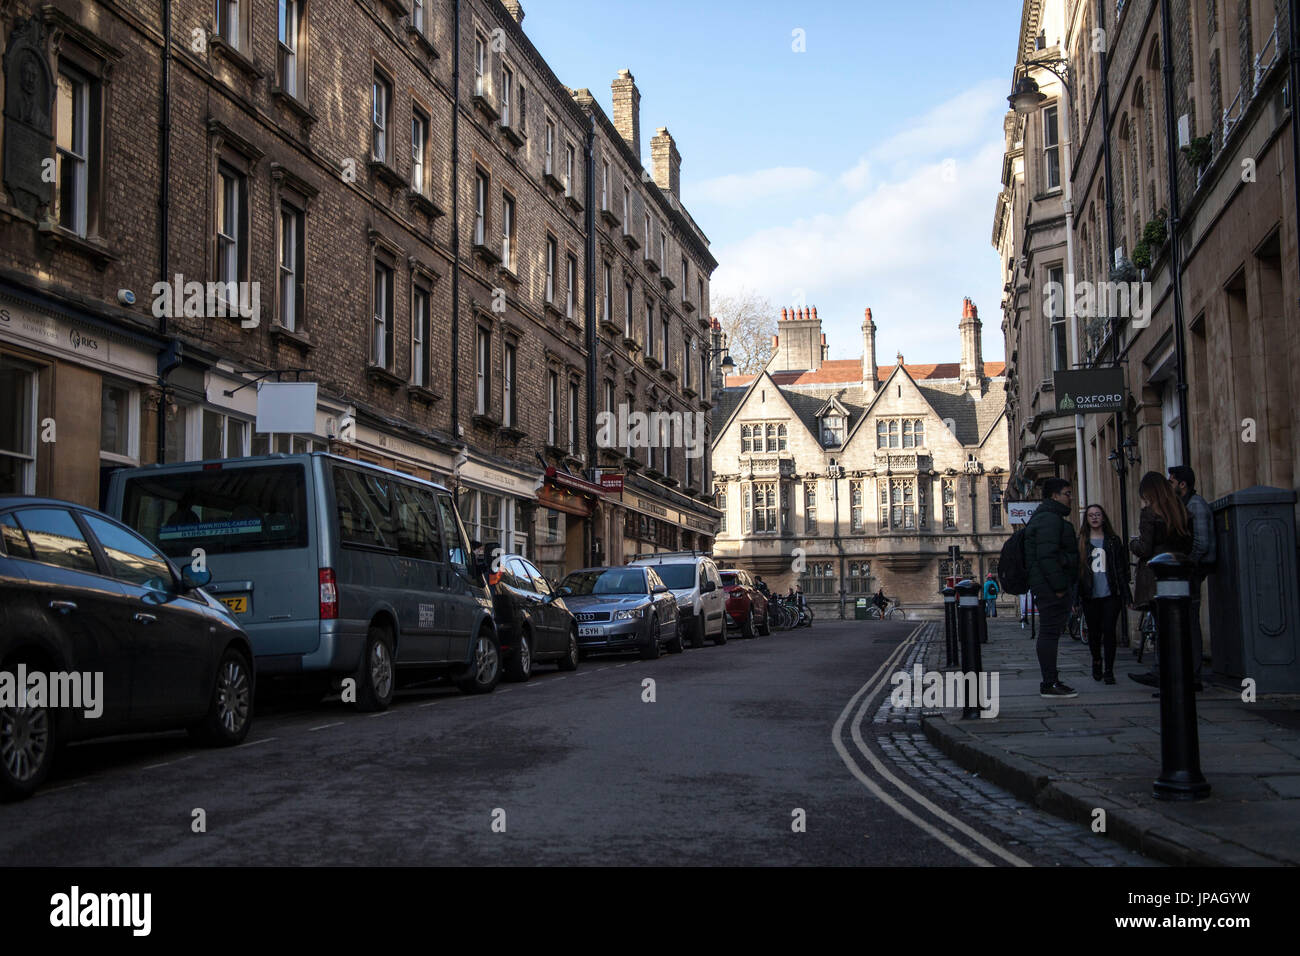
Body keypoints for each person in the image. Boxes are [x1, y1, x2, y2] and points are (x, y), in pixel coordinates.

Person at [1128, 472, 1194, 689]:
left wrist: (1132, 544)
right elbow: (1188, 546)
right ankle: (1178, 676)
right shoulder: (1182, 511)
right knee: (1178, 629)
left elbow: (1145, 548)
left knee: (1163, 630)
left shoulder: (1149, 513)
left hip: (1156, 578)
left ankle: (1163, 675)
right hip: (1180, 576)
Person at [1023, 477, 1080, 697]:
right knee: (1049, 633)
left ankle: (1051, 680)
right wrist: (1059, 587)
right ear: (1054, 496)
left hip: (1047, 586)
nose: (1070, 498)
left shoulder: (1048, 517)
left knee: (1050, 633)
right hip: (1051, 588)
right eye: (1067, 493)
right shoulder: (1049, 519)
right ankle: (1049, 682)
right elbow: (1047, 556)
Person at [1076, 504, 1131, 684]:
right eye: (1091, 515)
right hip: (1090, 595)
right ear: (1087, 519)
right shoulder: (1082, 542)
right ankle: (1096, 660)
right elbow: (1077, 573)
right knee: (1094, 633)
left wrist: (1126, 594)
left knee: (1109, 631)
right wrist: (1076, 598)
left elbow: (1121, 569)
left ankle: (1109, 670)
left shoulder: (1114, 541)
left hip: (1111, 594)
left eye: (1098, 514)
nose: (1094, 518)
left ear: (1103, 517)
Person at [1169, 465, 1214, 684]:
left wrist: (1187, 566)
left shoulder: (1196, 505)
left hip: (1193, 572)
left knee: (1191, 621)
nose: (1171, 486)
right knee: (1185, 620)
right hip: (1189, 571)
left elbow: (1202, 543)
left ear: (1182, 484)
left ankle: (1194, 673)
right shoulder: (1185, 505)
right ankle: (1188, 670)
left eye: (1172, 482)